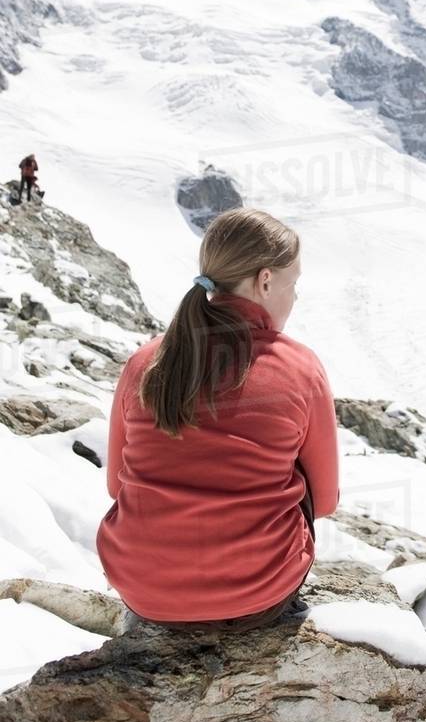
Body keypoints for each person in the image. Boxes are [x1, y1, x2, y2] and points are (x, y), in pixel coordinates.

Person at [96, 207, 339, 631]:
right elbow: (326, 499)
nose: (294, 296)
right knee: (292, 463)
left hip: (142, 591)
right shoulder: (299, 366)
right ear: (265, 280)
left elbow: (117, 483)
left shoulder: (147, 361)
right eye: (292, 283)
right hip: (258, 597)